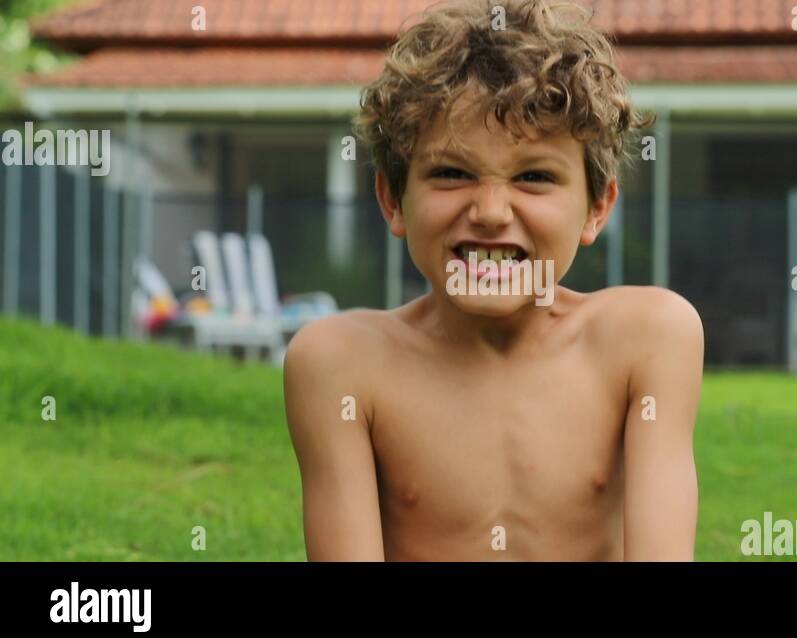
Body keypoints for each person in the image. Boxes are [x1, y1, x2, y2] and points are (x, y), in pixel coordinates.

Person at [283, 0, 703, 561]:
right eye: (452, 173)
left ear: (597, 207)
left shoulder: (647, 339)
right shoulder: (339, 363)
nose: (490, 211)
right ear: (392, 199)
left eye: (534, 176)